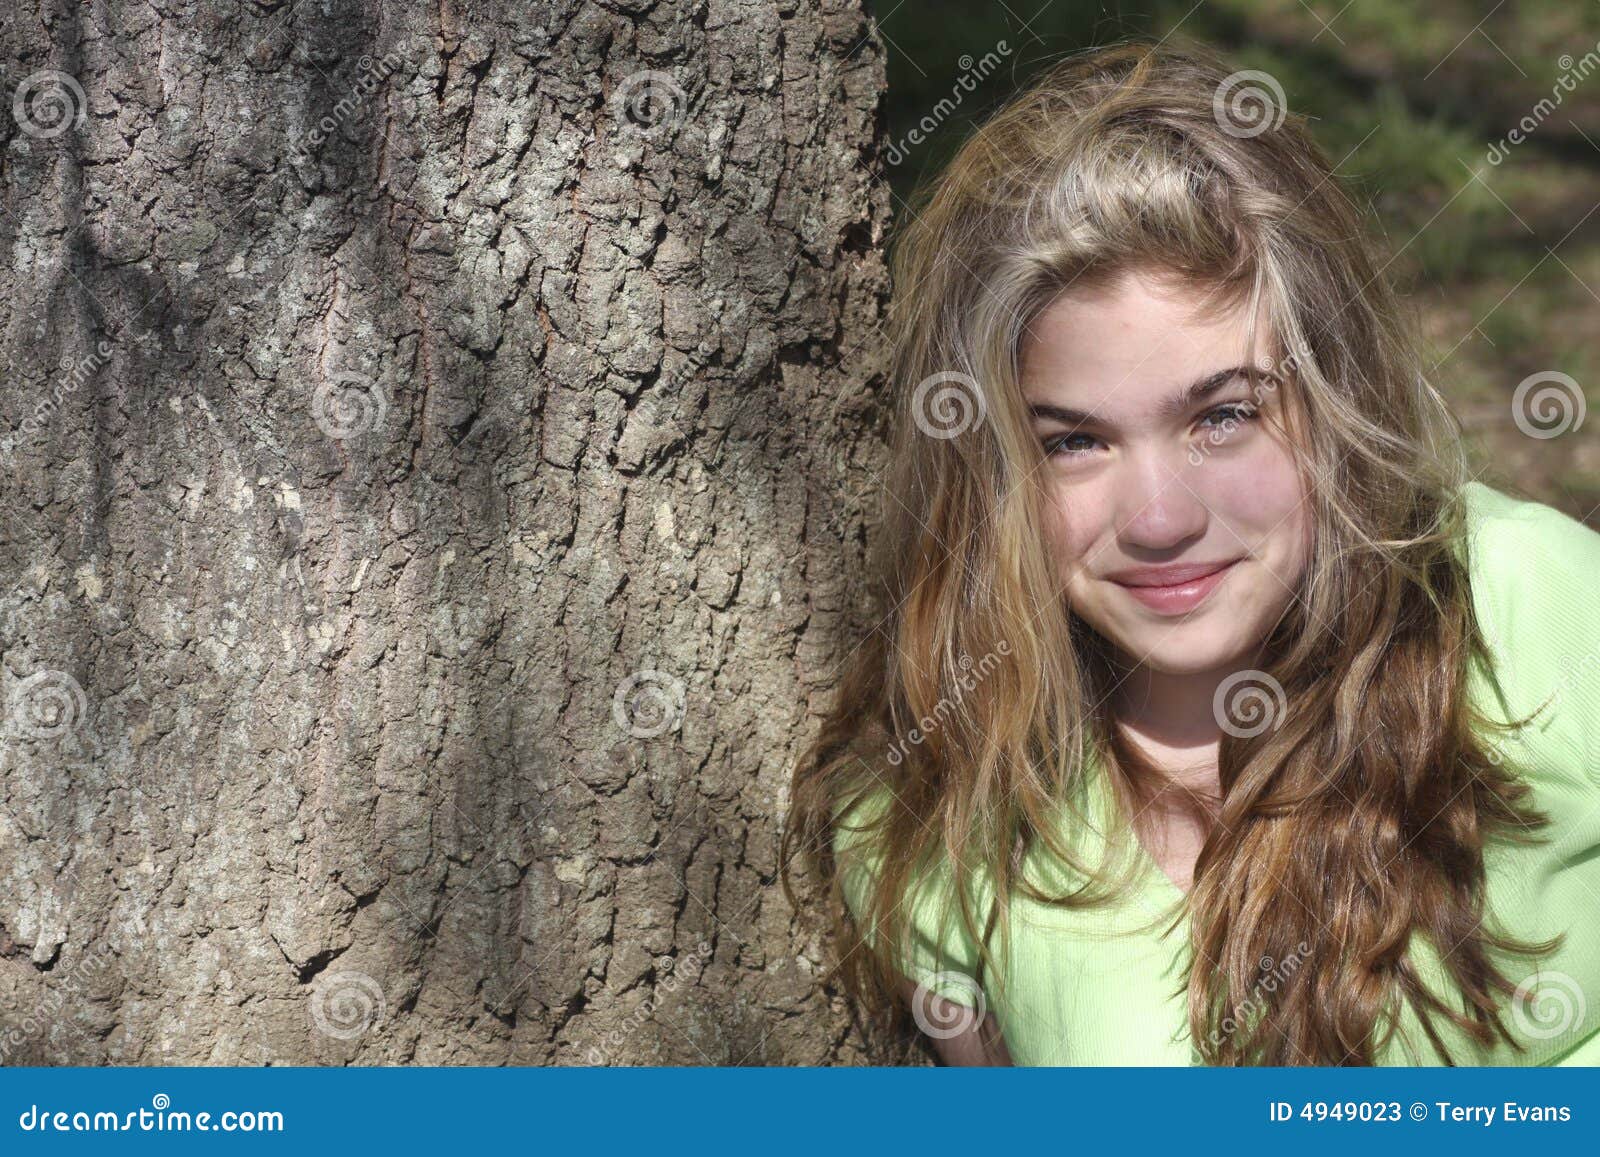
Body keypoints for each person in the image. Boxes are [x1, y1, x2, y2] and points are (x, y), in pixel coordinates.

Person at [780, 39, 1600, 1066]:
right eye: (1073, 440)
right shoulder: (943, 802)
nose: (1158, 517)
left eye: (1221, 415)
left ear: (1333, 400)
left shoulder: (1535, 606)